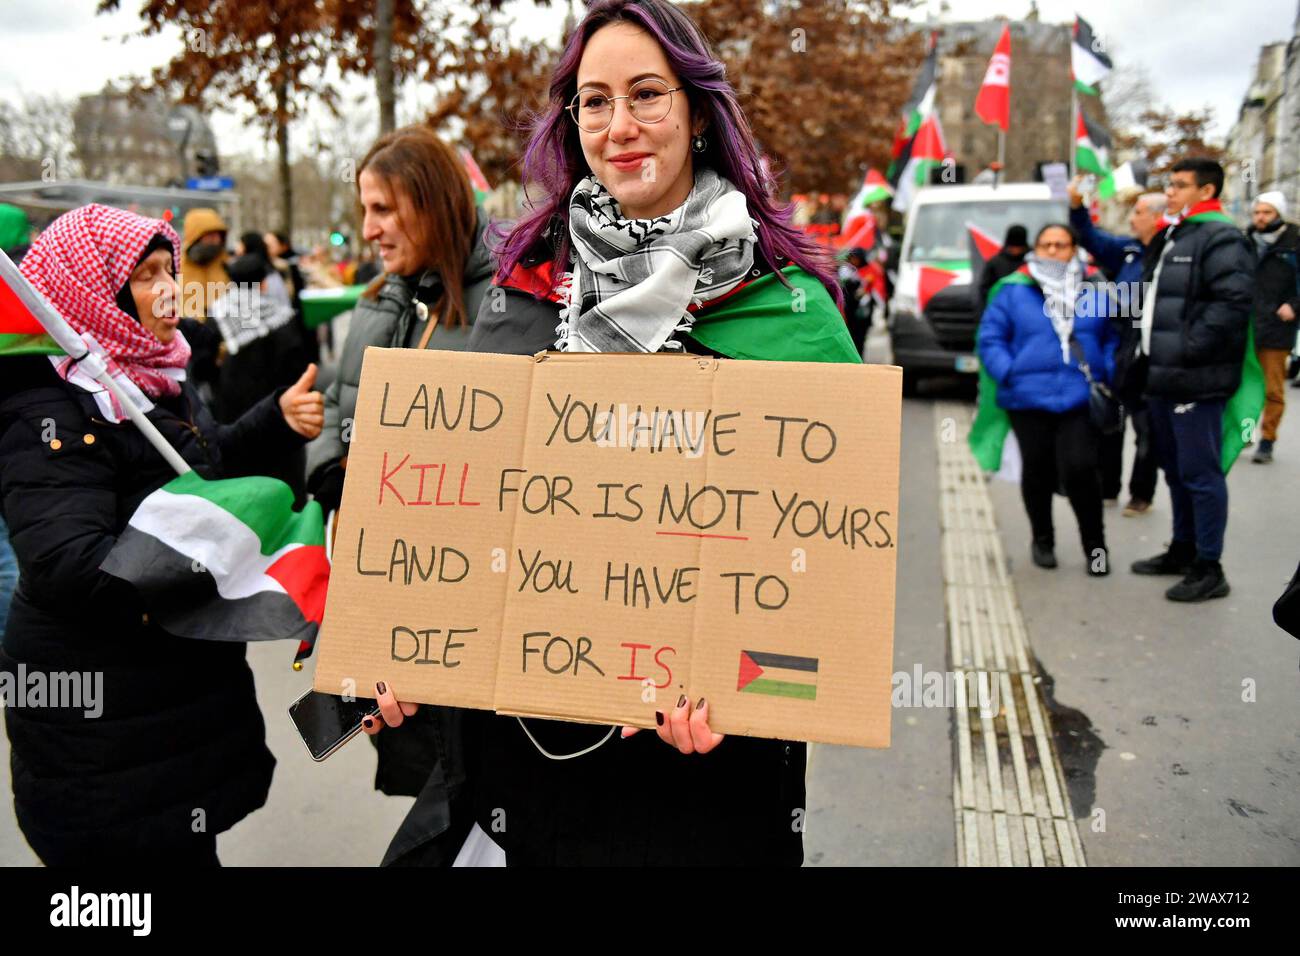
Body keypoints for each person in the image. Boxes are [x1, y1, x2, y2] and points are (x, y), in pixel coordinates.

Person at [365, 0, 856, 867]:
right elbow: (461, 514)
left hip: (702, 774)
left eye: (646, 95)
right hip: (540, 758)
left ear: (698, 112)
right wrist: (406, 645)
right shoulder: (523, 287)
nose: (618, 126)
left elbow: (828, 567)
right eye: (593, 101)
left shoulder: (790, 309)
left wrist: (745, 688)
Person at [0, 204, 324, 865]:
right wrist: (222, 556)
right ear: (94, 291)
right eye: (146, 276)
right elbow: (70, 564)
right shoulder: (49, 407)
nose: (170, 289)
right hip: (106, 736)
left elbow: (186, 473)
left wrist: (269, 422)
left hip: (163, 717)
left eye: (169, 270)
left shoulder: (148, 379)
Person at [305, 124, 496, 866]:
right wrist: (330, 470)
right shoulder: (383, 299)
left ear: (432, 203)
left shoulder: (506, 306)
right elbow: (335, 399)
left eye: (383, 208)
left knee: (464, 794)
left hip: (462, 603)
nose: (369, 230)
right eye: (364, 209)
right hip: (385, 587)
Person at [1130, 158, 1253, 601]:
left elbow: (1232, 304)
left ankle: (1209, 566)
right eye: (1170, 185)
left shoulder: (1222, 236)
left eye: (1180, 186)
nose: (1171, 193)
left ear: (1206, 191)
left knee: (1201, 474)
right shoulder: (1176, 234)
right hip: (1162, 376)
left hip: (1196, 378)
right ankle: (1182, 550)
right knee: (1176, 471)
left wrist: (1185, 348)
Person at [977, 223, 1118, 575]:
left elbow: (1115, 336)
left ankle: (1095, 548)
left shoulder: (1096, 288)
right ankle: (1043, 540)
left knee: (1081, 470)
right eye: (1046, 245)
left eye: (1062, 245)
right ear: (1034, 250)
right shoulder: (1012, 290)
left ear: (1074, 249)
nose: (1053, 251)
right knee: (1036, 472)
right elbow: (990, 337)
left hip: (1079, 395)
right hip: (1026, 397)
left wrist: (1107, 371)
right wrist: (1009, 370)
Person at [1068, 178, 1167, 515]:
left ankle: (1141, 494)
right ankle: (1107, 487)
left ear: (1157, 217)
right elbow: (1091, 238)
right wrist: (1077, 206)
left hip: (1151, 355)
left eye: (1138, 212)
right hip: (1120, 350)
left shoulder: (1168, 254)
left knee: (1146, 429)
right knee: (1111, 421)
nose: (1132, 218)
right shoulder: (1128, 251)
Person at [1245, 191, 1298, 463]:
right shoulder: (1246, 240)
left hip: (1277, 328)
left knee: (1272, 389)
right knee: (1243, 385)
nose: (1260, 218)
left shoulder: (1294, 242)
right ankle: (1244, 434)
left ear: (1278, 213)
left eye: (1266, 212)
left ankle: (1267, 440)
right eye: (1257, 212)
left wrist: (1294, 306)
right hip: (1246, 325)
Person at [977, 224, 1028, 311]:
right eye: (1012, 247)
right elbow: (984, 290)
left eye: (1018, 248)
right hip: (1001, 309)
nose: (1015, 250)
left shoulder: (1032, 261)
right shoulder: (995, 263)